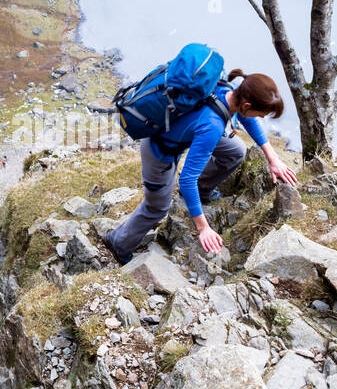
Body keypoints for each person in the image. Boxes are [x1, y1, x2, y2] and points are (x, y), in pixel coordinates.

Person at [103, 69, 298, 264]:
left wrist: (273, 158)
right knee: (157, 208)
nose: (261, 118)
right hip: (159, 150)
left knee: (235, 151)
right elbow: (187, 180)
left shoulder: (229, 89)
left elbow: (247, 117)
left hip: (182, 131)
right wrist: (203, 228)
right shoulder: (212, 126)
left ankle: (204, 190)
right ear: (247, 105)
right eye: (261, 113)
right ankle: (118, 244)